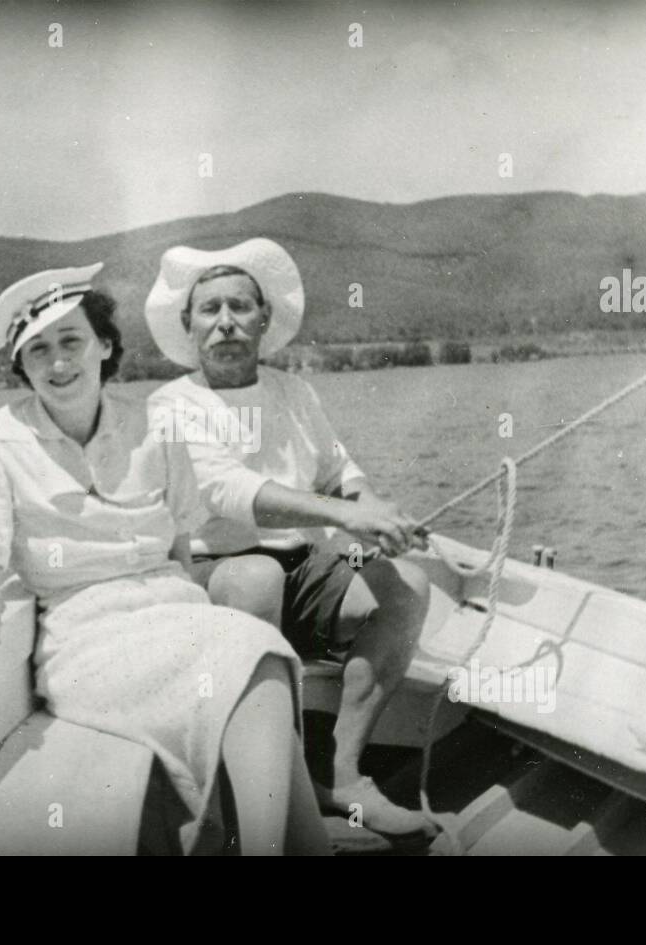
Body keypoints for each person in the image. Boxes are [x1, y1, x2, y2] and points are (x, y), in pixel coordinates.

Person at [0, 262, 329, 856]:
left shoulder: (156, 425)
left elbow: (178, 544)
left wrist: (188, 603)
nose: (58, 362)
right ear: (22, 365)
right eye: (38, 350)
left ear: (105, 346)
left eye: (71, 341)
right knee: (254, 660)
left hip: (174, 609)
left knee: (263, 658)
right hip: (86, 636)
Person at [145, 239, 438, 837]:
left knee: (405, 585)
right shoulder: (170, 404)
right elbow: (227, 492)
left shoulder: (294, 393)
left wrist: (374, 510)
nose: (225, 322)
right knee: (256, 577)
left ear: (264, 319)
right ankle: (272, 787)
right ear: (188, 325)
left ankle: (343, 773)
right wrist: (345, 515)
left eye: (239, 307)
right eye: (209, 310)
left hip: (301, 567)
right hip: (211, 573)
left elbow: (339, 472)